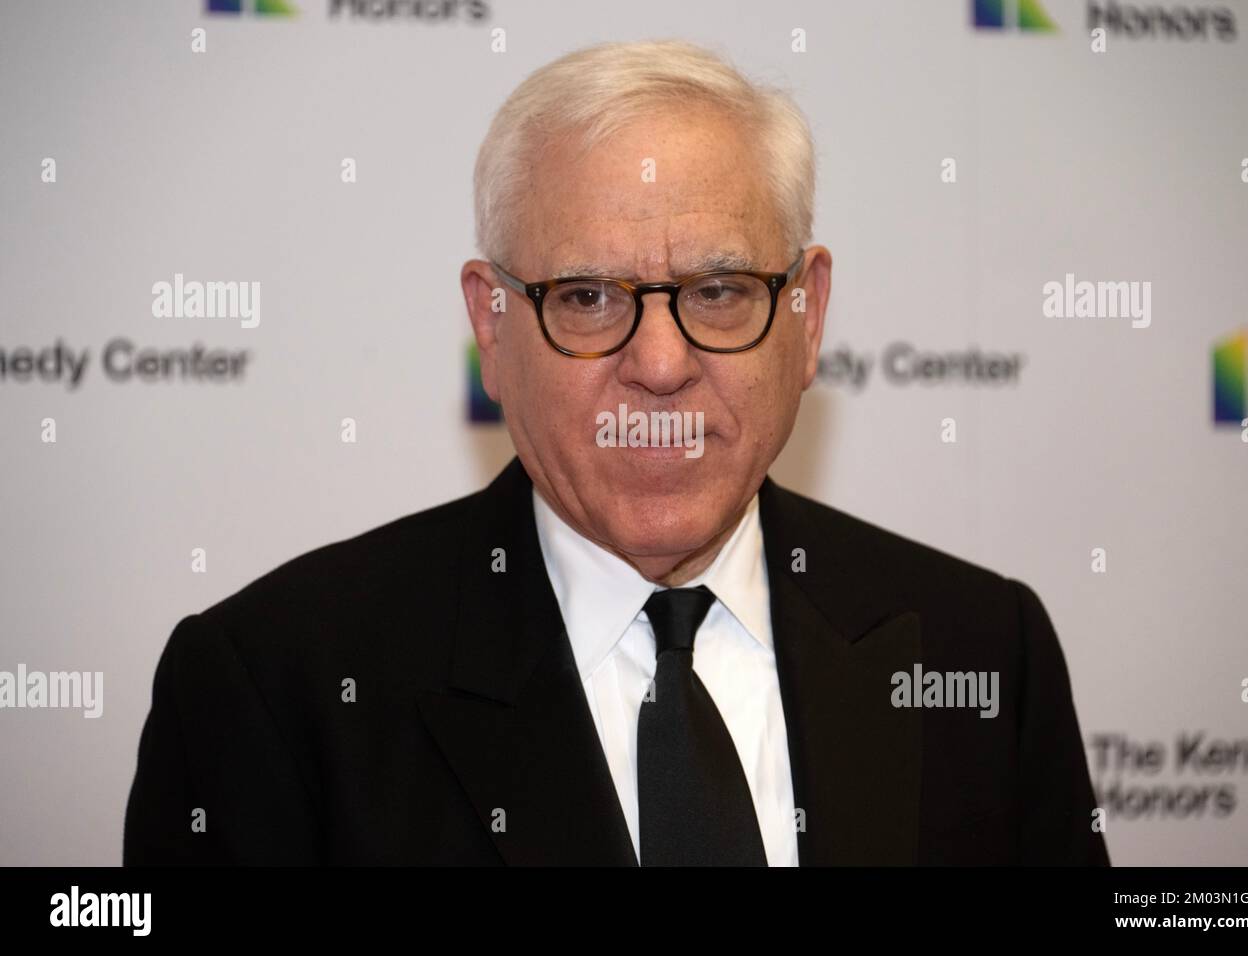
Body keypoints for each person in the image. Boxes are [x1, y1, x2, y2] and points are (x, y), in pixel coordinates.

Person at [124, 39, 1108, 866]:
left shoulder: (983, 651)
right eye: (587, 297)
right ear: (492, 324)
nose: (662, 362)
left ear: (806, 316)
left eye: (720, 290)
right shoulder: (275, 689)